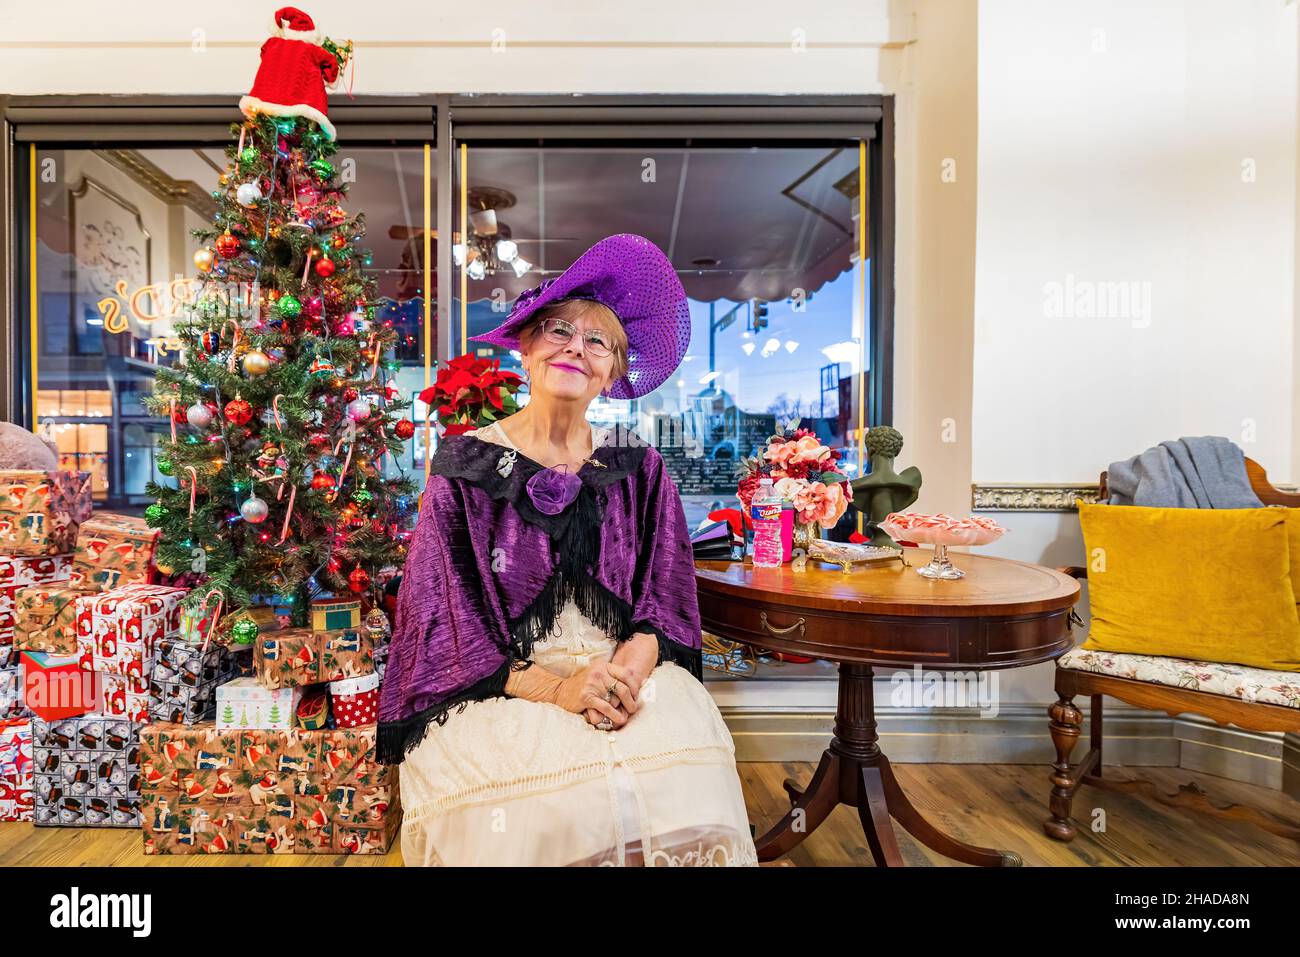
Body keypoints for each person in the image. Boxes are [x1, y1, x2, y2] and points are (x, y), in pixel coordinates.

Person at [377, 233, 759, 867]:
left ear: (613, 372)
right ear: (525, 346)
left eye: (598, 341)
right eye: (558, 330)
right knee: (549, 810)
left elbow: (663, 603)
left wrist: (626, 678)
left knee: (683, 780)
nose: (576, 348)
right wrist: (558, 691)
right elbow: (442, 618)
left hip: (623, 672)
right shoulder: (465, 465)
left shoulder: (640, 467)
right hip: (503, 686)